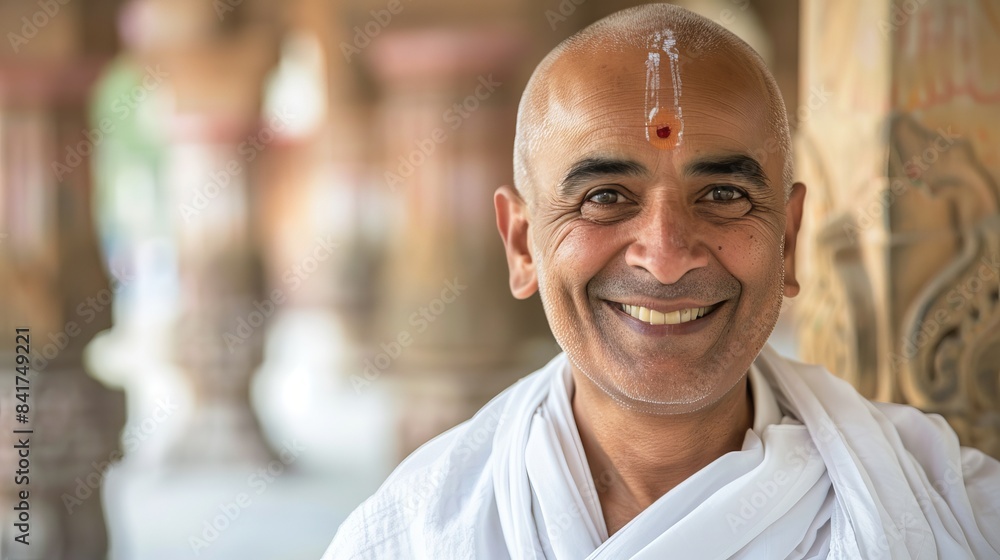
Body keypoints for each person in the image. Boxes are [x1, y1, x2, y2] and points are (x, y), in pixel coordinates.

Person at [324, 4, 1000, 558]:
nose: (667, 256)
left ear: (789, 241)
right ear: (523, 244)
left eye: (725, 194)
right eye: (606, 198)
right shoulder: (410, 535)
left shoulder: (953, 508)